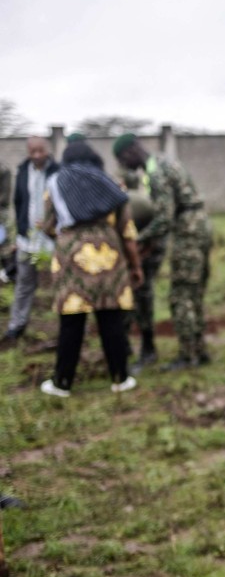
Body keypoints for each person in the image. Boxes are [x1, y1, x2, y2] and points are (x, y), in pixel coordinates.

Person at [38, 140, 143, 397]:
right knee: (111, 318)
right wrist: (136, 266)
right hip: (108, 257)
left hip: (72, 260)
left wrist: (64, 238)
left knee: (72, 322)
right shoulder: (113, 186)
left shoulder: (54, 185)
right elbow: (127, 233)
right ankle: (121, 379)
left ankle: (62, 382)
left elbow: (50, 226)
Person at [113, 134, 212, 370]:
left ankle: (188, 357)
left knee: (181, 295)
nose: (124, 166)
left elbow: (164, 219)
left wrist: (136, 242)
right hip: (200, 225)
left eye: (122, 160)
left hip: (187, 232)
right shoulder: (165, 162)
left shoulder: (156, 174)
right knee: (194, 292)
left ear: (130, 152)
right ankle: (199, 351)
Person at [3, 137, 59, 344]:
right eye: (32, 151)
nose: (36, 155)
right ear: (28, 152)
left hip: (53, 238)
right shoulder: (22, 171)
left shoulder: (57, 171)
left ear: (48, 150)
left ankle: (65, 326)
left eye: (40, 150)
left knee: (59, 281)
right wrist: (20, 232)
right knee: (24, 283)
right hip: (28, 239)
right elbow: (18, 203)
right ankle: (16, 326)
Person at [118, 168, 164, 370]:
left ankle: (146, 348)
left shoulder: (132, 203)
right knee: (136, 295)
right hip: (143, 248)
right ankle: (130, 347)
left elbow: (149, 237)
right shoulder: (137, 199)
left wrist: (139, 257)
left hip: (146, 249)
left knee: (139, 295)